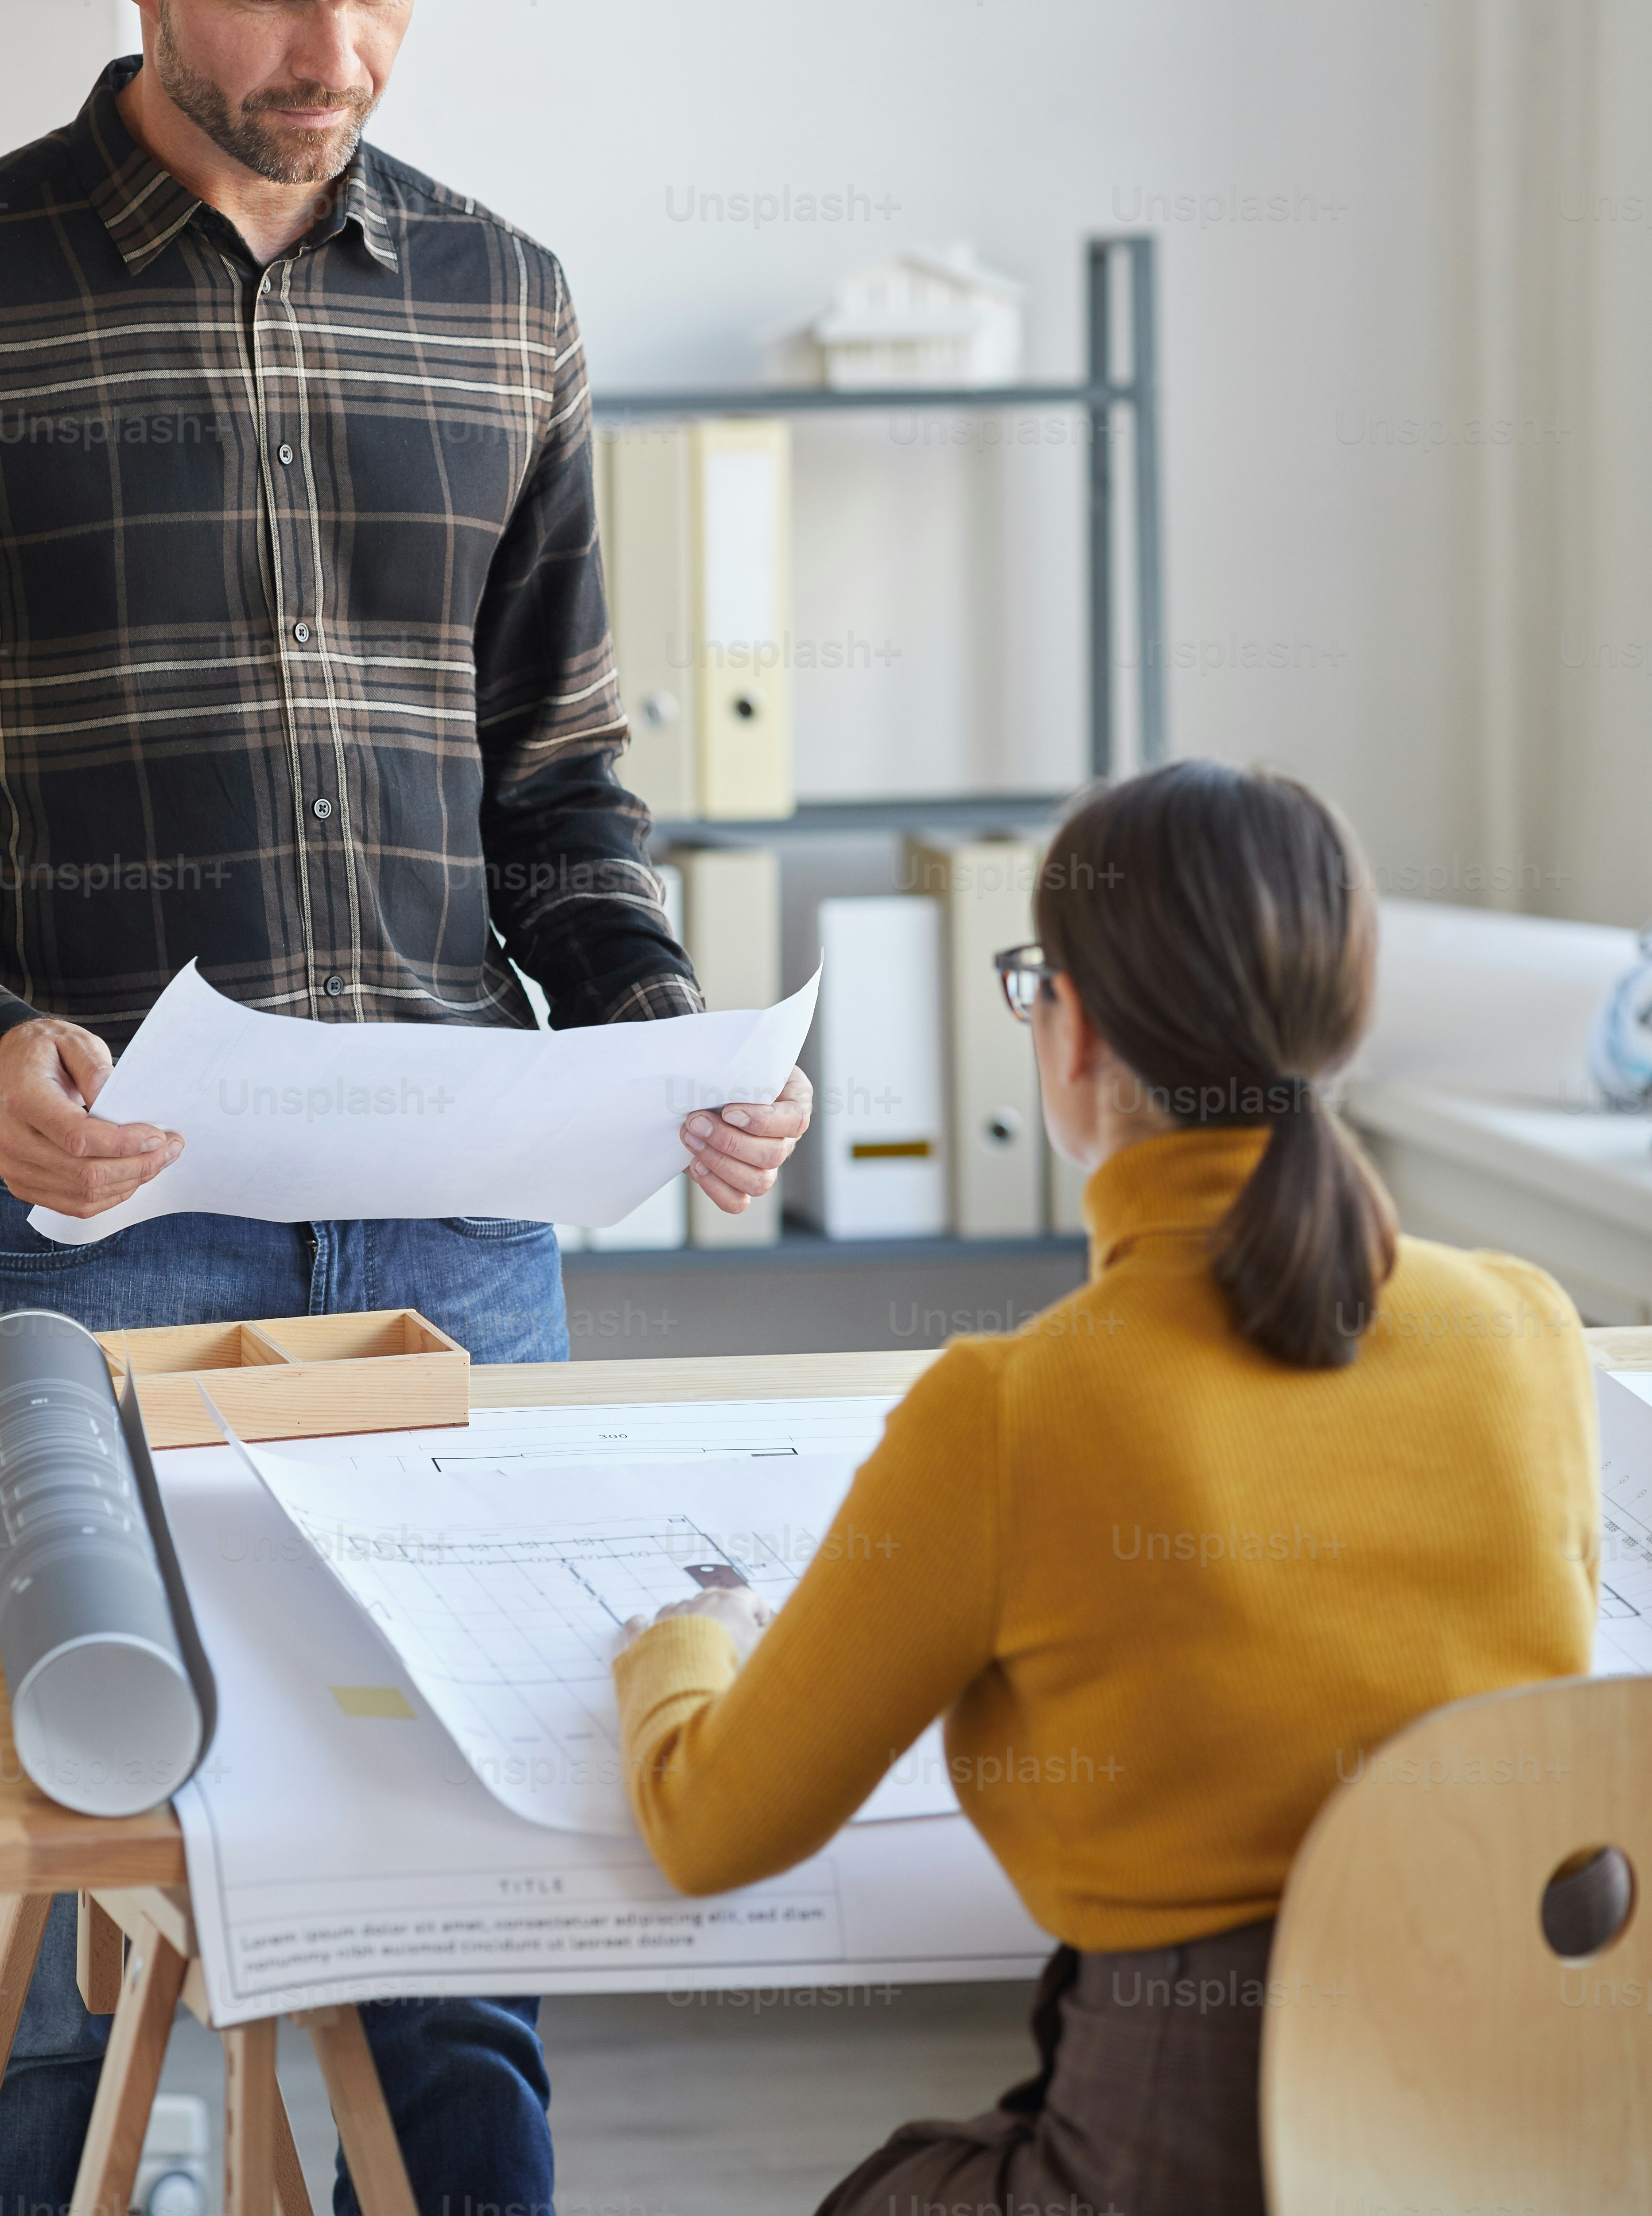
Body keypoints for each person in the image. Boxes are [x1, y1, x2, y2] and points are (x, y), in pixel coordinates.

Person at [0, 0, 811, 2216]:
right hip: (90, 1228)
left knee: (471, 1882)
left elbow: (556, 801)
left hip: (460, 1250)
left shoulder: (508, 306)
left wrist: (656, 1036)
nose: (339, 56)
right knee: (54, 1901)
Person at [612, 760, 1598, 2216]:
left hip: (1189, 2160)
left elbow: (711, 1832)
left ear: (1073, 1039)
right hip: (1528, 2145)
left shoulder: (1014, 1408)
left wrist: (683, 1644)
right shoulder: (1525, 1326)